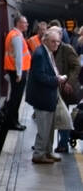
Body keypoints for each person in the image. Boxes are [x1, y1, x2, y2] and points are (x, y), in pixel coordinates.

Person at [26, 25, 66, 164]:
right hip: (42, 97)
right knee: (44, 128)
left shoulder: (47, 52)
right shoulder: (40, 54)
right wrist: (57, 79)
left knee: (49, 128)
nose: (56, 44)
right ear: (45, 40)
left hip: (48, 96)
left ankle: (48, 152)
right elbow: (39, 76)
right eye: (53, 41)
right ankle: (39, 154)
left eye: (58, 42)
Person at [48, 20, 81, 151]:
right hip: (53, 88)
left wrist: (69, 82)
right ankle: (49, 143)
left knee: (63, 116)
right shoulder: (50, 49)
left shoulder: (67, 49)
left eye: (56, 34)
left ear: (60, 35)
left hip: (64, 89)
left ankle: (63, 144)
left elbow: (77, 65)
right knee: (53, 116)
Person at [2, 13, 30, 130]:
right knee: (16, 98)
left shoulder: (13, 34)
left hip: (13, 69)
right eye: (25, 22)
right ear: (19, 23)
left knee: (14, 97)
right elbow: (18, 56)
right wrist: (19, 73)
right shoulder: (17, 36)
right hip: (18, 71)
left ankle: (11, 121)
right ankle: (13, 123)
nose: (27, 24)